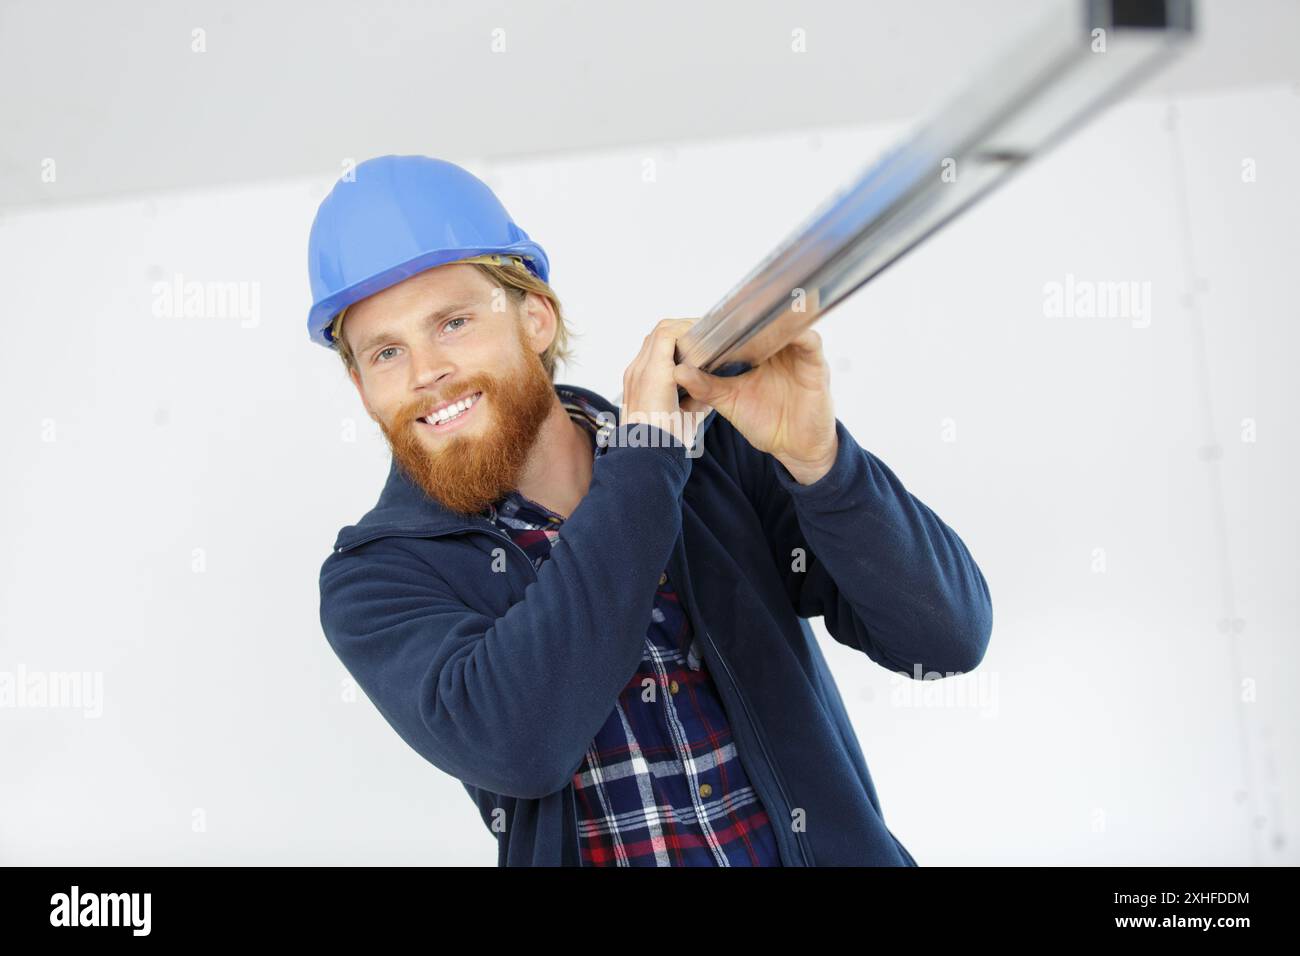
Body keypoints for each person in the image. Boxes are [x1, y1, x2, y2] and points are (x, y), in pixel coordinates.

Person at [310, 155, 993, 866]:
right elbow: (522, 743)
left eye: (452, 323)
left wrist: (821, 463)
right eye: (386, 352)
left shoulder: (712, 460)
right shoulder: (376, 579)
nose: (426, 373)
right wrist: (647, 457)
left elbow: (944, 640)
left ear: (536, 317)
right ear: (362, 388)